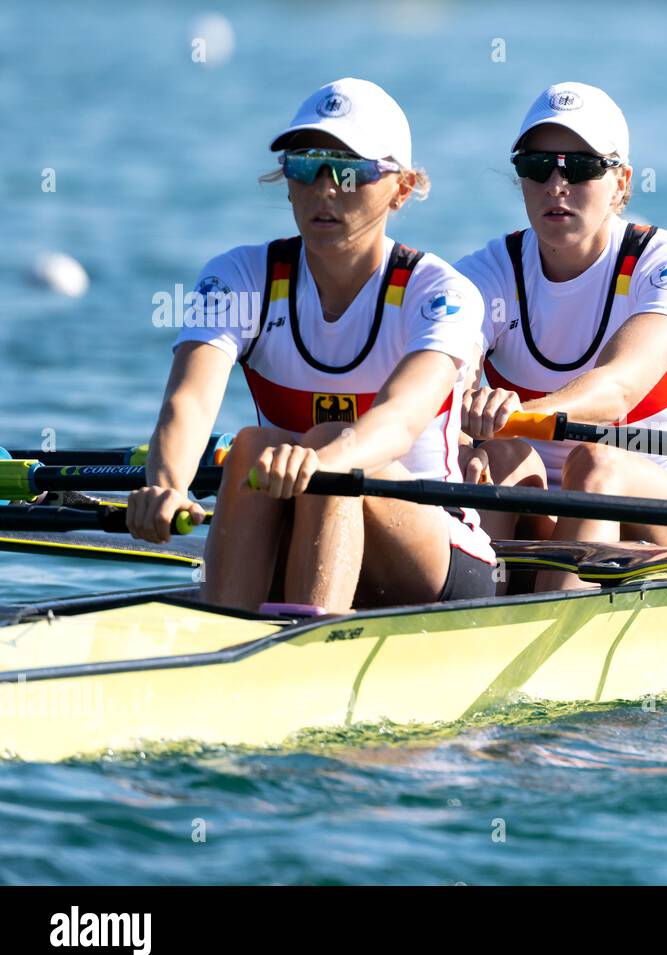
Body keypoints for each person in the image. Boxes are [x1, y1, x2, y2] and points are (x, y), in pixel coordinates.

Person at [126, 78, 496, 613]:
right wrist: (166, 485)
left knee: (328, 449)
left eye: (348, 171)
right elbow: (190, 401)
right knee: (250, 447)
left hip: (433, 549)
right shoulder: (240, 277)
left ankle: (300, 652)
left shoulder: (439, 293)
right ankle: (229, 632)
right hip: (303, 521)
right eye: (304, 166)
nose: (325, 189)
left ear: (403, 187)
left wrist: (319, 456)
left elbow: (399, 422)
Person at [456, 82, 667, 591]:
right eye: (537, 167)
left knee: (596, 463)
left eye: (579, 167)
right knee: (496, 455)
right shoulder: (486, 272)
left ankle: (547, 636)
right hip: (540, 504)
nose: (556, 184)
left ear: (621, 182)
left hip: (665, 512)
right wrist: (466, 404)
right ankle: (465, 617)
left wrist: (512, 415)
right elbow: (454, 361)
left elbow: (618, 388)